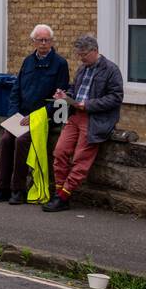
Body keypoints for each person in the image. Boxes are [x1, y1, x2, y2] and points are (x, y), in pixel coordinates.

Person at [0, 25, 70, 205]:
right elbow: (15, 91)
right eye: (39, 40)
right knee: (6, 140)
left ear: (51, 41)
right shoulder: (27, 61)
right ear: (33, 41)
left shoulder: (60, 64)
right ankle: (3, 188)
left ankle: (18, 190)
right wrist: (13, 115)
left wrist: (36, 117)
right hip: (21, 115)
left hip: (42, 117)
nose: (43, 43)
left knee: (22, 140)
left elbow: (60, 98)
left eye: (46, 40)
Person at [47, 34, 124, 212]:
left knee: (81, 159)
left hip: (95, 119)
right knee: (59, 152)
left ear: (95, 51)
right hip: (75, 116)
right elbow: (75, 89)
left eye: (84, 55)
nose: (81, 58)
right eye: (79, 55)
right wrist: (65, 95)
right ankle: (59, 193)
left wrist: (88, 104)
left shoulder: (111, 69)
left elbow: (116, 97)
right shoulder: (82, 69)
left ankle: (64, 196)